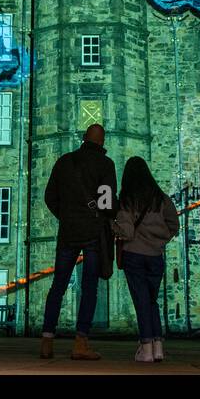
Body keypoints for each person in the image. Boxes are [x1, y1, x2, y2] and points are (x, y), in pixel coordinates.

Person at [40, 123, 117, 360]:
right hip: (93, 233)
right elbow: (107, 203)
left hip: (68, 232)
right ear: (102, 143)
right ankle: (81, 343)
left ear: (84, 138)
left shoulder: (65, 162)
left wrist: (66, 216)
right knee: (89, 288)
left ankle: (47, 341)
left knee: (58, 286)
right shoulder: (106, 164)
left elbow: (49, 197)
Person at [112, 156, 180, 363]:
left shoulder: (128, 199)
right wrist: (159, 240)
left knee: (141, 302)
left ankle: (146, 348)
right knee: (151, 302)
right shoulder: (161, 199)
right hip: (156, 257)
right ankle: (158, 346)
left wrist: (111, 225)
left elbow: (126, 231)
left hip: (134, 255)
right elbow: (174, 226)